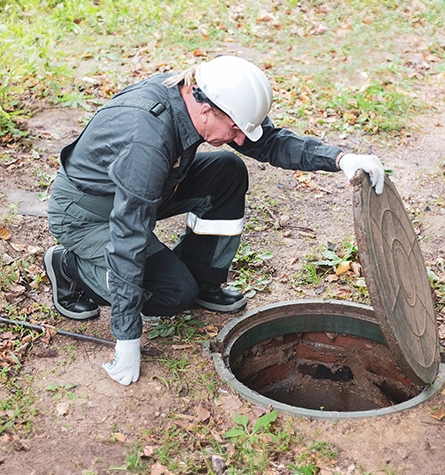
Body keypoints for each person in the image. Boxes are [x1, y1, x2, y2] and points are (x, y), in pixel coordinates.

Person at [43, 56, 385, 386]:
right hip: (89, 213)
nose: (239, 139)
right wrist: (127, 337)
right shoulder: (146, 138)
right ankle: (70, 268)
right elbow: (129, 234)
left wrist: (340, 159)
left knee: (227, 170)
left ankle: (203, 278)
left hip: (151, 187)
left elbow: (268, 142)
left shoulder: (202, 97)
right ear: (205, 109)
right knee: (173, 293)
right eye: (234, 129)